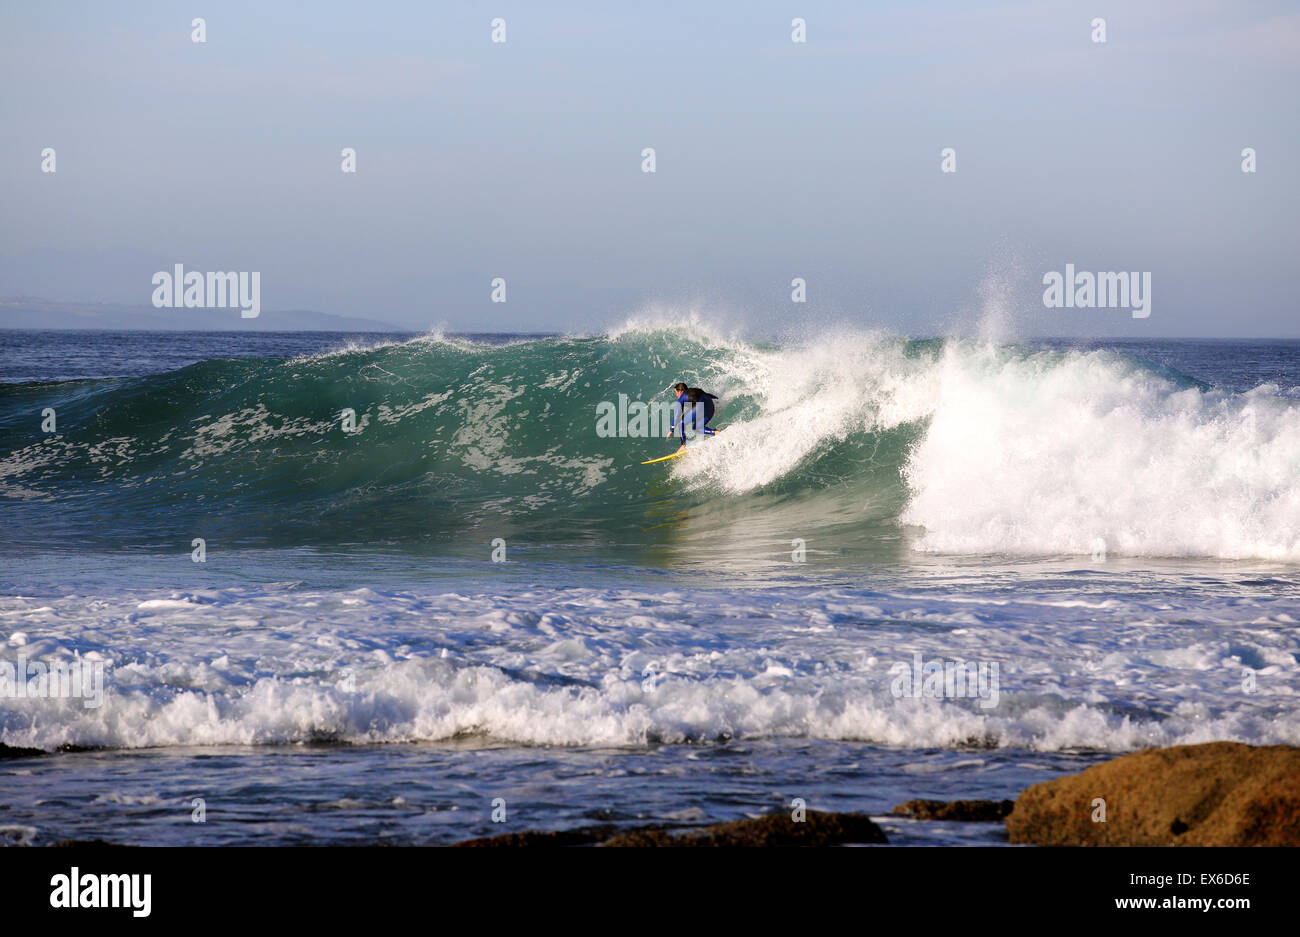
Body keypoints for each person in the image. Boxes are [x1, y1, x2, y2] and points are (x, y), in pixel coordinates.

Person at [665, 382, 720, 450]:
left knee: (681, 423)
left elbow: (677, 416)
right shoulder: (695, 390)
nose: (677, 395)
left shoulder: (682, 397)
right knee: (697, 428)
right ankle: (716, 432)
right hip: (711, 407)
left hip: (701, 407)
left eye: (676, 392)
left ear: (680, 391)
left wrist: (671, 430)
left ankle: (683, 445)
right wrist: (717, 402)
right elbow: (710, 396)